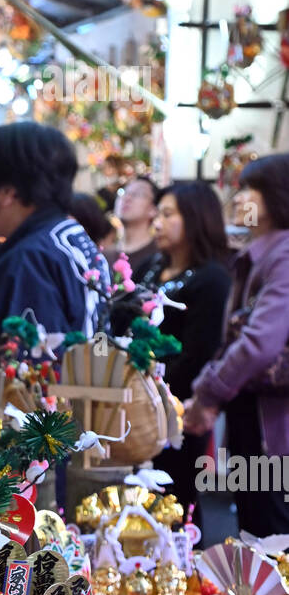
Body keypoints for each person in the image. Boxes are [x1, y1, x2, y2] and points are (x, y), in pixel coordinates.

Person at [0, 123, 110, 417]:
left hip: (44, 448)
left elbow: (29, 375)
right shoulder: (71, 235)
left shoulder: (29, 259)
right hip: (86, 428)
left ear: (7, 194)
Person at [185, 153, 289, 538]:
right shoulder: (263, 254)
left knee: (270, 542)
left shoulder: (282, 254)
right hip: (260, 424)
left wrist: (207, 395)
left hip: (273, 433)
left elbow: (260, 342)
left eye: (251, 189)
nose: (240, 198)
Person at [137, 181, 231, 522]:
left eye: (167, 214)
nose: (157, 223)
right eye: (157, 214)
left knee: (176, 502)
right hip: (134, 404)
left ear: (195, 218)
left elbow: (198, 352)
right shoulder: (150, 266)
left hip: (177, 407)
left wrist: (154, 391)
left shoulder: (212, 279)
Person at [115, 175, 160, 279]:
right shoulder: (104, 254)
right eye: (124, 192)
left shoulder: (158, 256)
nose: (127, 198)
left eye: (138, 194)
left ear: (154, 209)